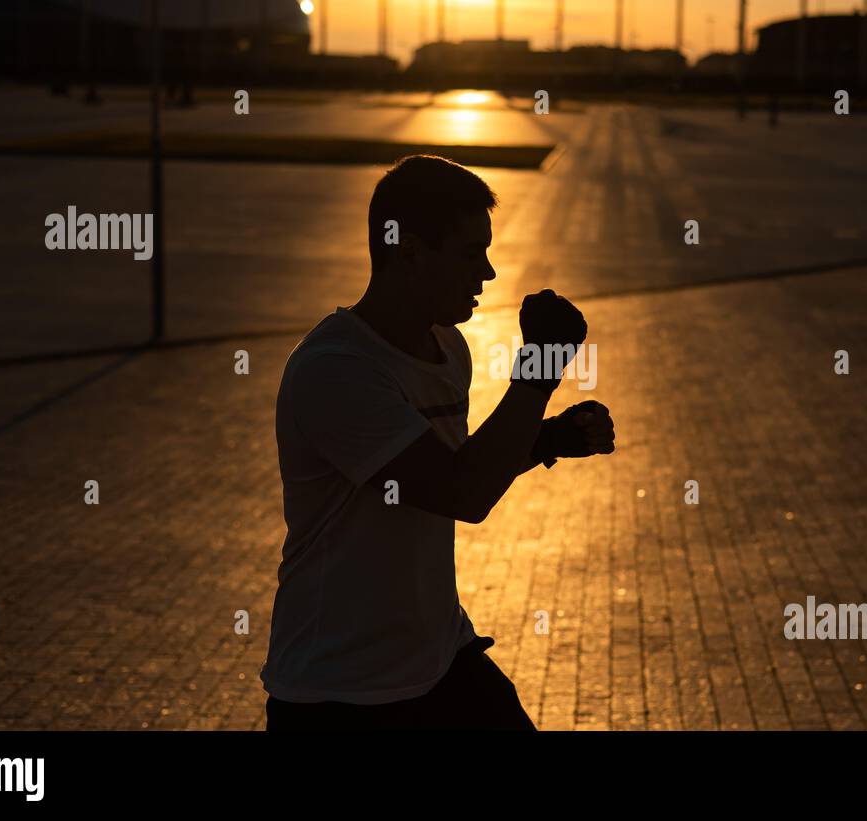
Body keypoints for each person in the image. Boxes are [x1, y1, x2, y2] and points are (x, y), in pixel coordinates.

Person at [262, 155, 616, 730]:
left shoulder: (449, 348)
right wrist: (537, 370)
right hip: (339, 690)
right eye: (471, 252)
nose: (489, 272)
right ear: (409, 253)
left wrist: (543, 439)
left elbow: (452, 467)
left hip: (438, 656)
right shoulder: (337, 372)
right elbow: (463, 493)